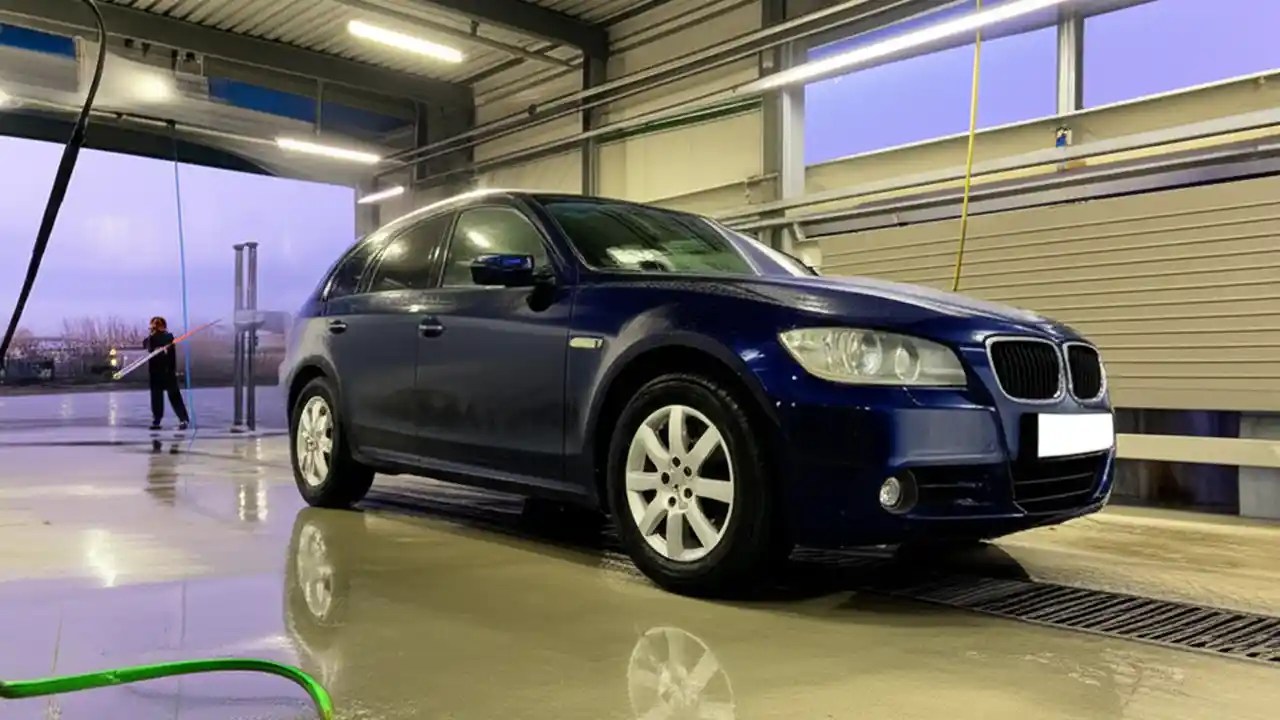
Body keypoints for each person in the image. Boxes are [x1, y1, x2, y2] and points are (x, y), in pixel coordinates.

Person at [143, 316, 190, 431]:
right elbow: (146, 345)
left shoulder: (168, 338)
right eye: (154, 325)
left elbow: (166, 346)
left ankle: (183, 419)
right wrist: (152, 336)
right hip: (156, 373)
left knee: (174, 396)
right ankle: (157, 420)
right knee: (156, 398)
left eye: (157, 325)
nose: (155, 327)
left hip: (168, 372)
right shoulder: (151, 339)